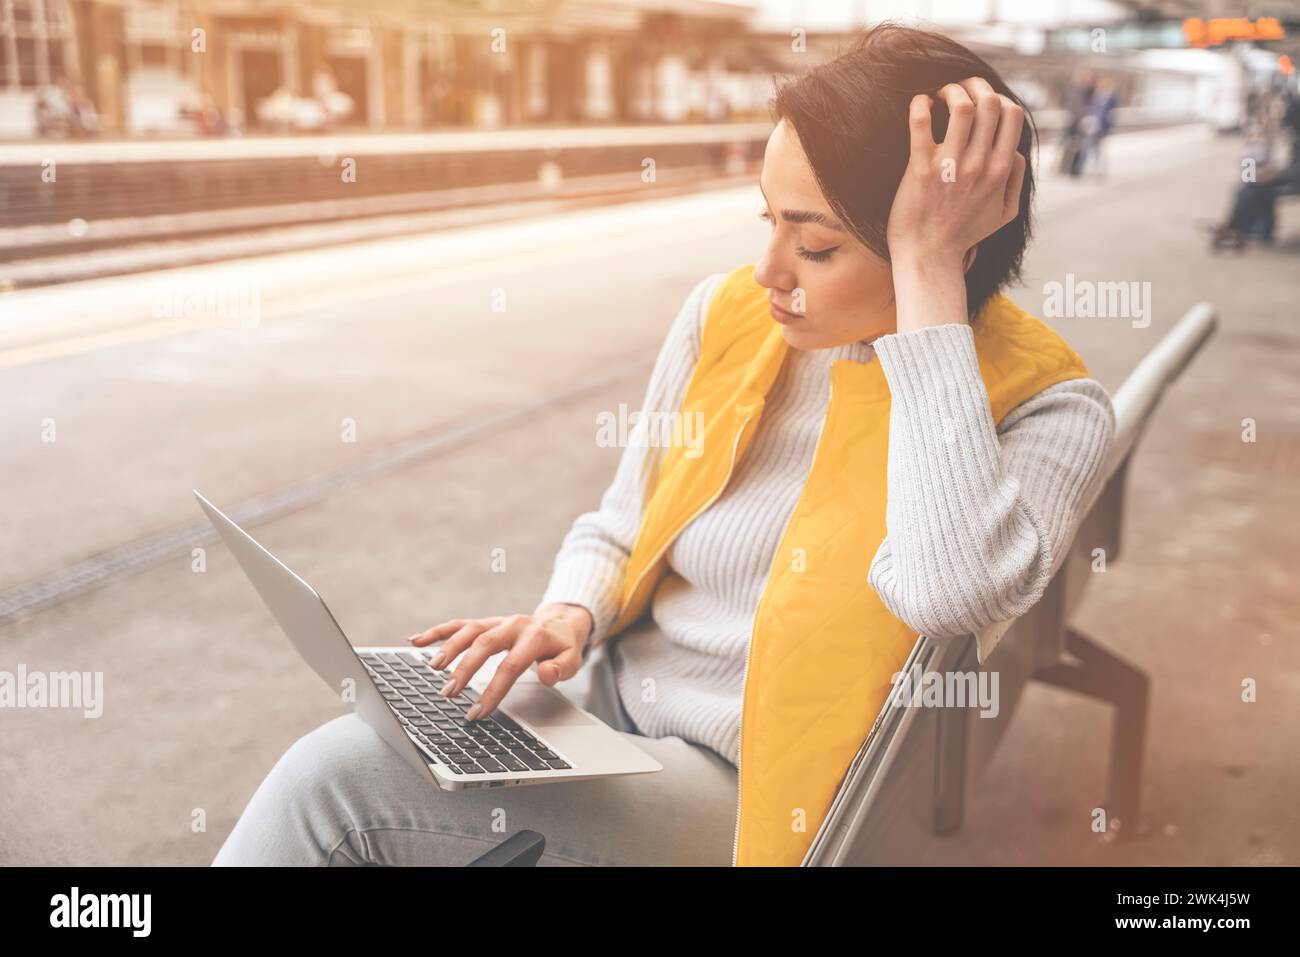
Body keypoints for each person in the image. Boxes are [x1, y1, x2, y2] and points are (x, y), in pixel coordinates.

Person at [212, 23, 1116, 867]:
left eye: (815, 247)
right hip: (601, 716)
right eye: (770, 222)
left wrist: (928, 291)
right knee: (385, 740)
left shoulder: (1046, 407)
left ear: (947, 242)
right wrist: (571, 612)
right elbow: (624, 521)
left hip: (755, 792)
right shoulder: (727, 317)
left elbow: (948, 588)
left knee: (336, 783)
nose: (767, 273)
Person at [1212, 88, 1300, 249]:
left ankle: (1234, 230)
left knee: (1251, 186)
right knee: (1248, 183)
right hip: (1273, 166)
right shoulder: (1263, 128)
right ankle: (1241, 229)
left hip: (1291, 175)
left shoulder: (1275, 127)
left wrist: (1276, 173)